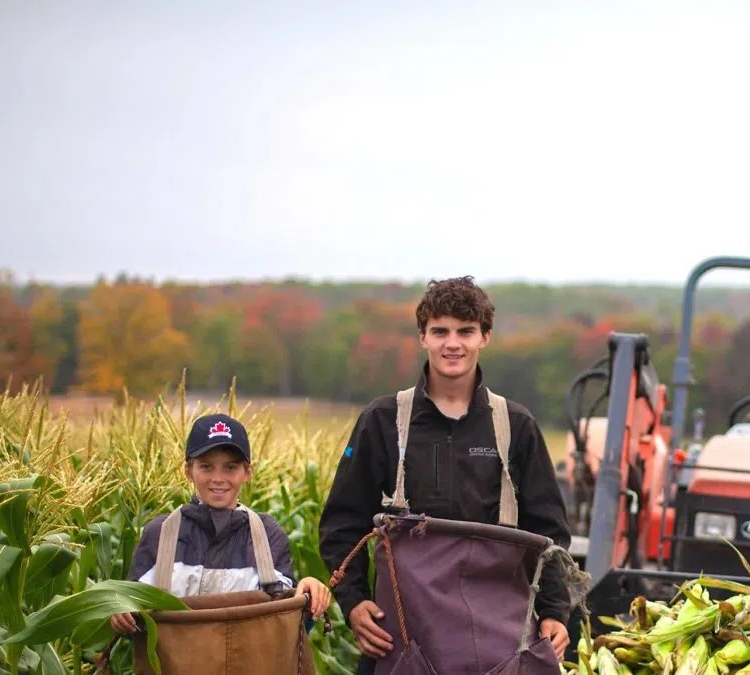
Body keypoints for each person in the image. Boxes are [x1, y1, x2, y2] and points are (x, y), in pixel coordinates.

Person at [318, 276, 573, 669]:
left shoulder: (516, 426)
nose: (452, 343)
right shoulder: (384, 420)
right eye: (440, 331)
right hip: (404, 640)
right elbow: (342, 523)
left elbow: (549, 533)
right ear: (423, 336)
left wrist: (555, 610)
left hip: (497, 644)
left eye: (465, 331)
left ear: (484, 337)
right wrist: (353, 602)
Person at [110, 413, 332, 635]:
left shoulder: (266, 536)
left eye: (230, 467)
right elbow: (135, 622)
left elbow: (287, 627)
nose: (218, 478)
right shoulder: (161, 534)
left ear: (247, 472)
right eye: (206, 467)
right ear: (188, 470)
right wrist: (121, 615)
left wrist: (310, 593)